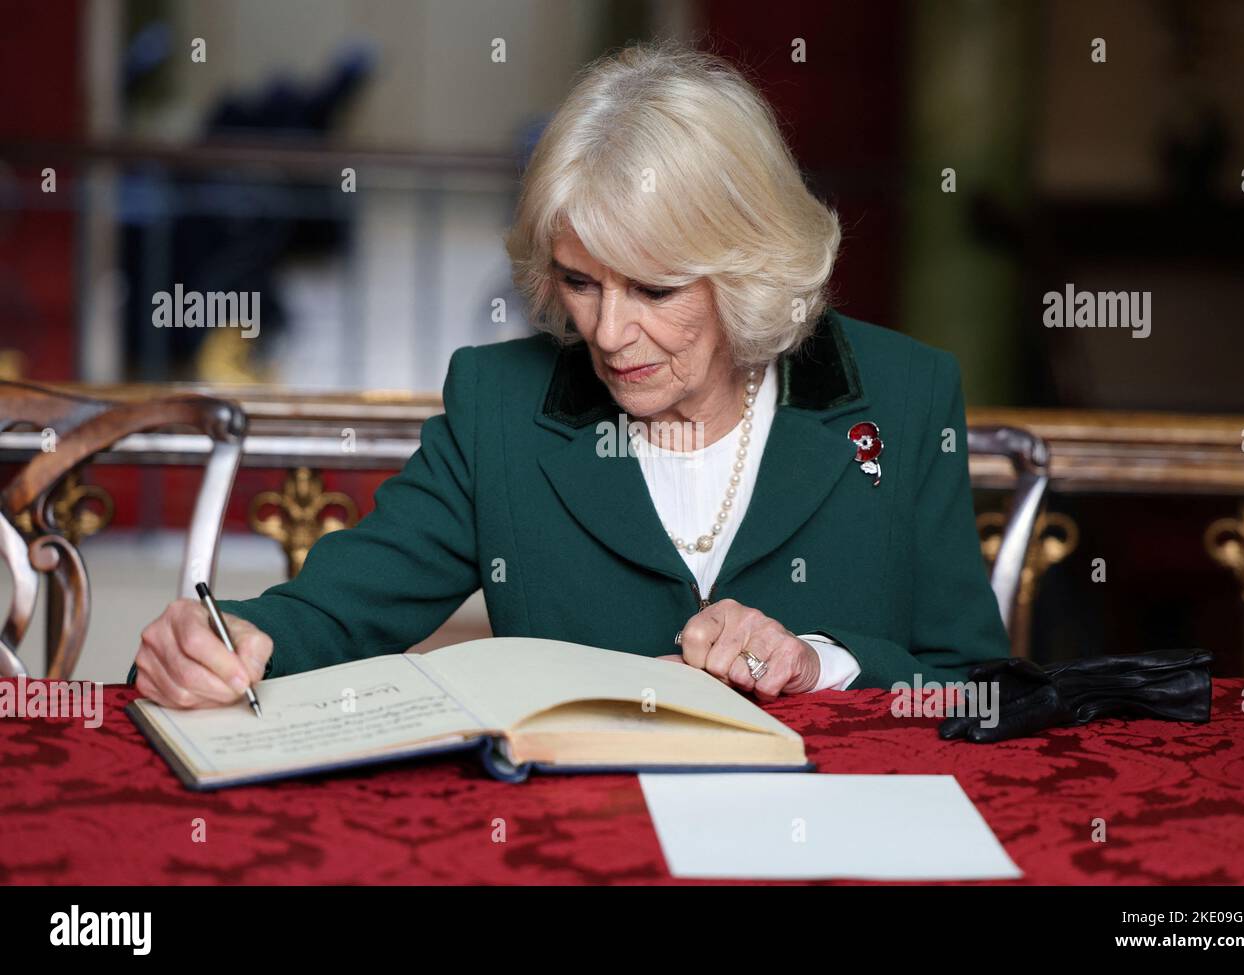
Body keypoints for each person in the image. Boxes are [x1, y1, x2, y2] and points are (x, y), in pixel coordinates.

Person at [132, 41, 1008, 710]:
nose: (608, 331)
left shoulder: (902, 394)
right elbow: (337, 608)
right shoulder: (501, 407)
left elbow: (977, 682)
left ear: (748, 268)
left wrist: (819, 660)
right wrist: (232, 637)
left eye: (655, 288)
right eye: (581, 281)